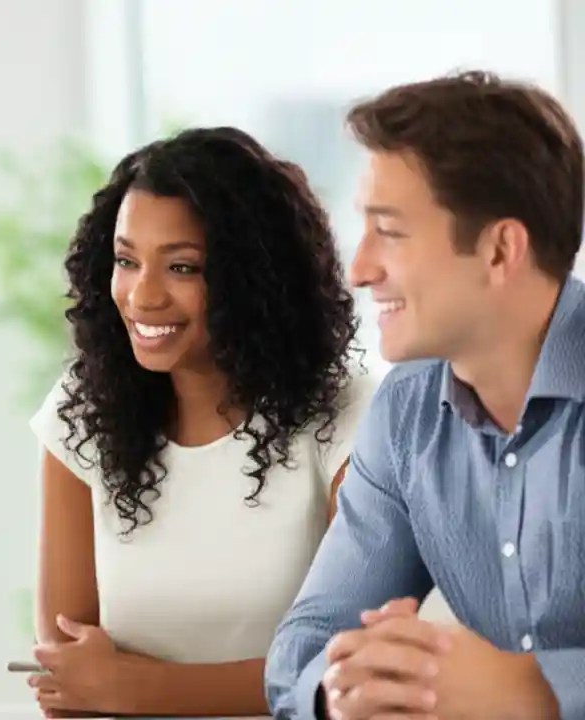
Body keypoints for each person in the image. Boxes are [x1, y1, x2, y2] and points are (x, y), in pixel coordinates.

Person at [265, 70, 585, 720]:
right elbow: (302, 653)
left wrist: (539, 690)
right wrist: (351, 689)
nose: (358, 270)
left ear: (500, 249)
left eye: (391, 230)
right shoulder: (407, 413)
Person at [26, 127, 377, 717]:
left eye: (183, 268)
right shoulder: (81, 413)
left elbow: (352, 666)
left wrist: (137, 688)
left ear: (254, 280)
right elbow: (69, 685)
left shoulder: (345, 414)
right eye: (125, 261)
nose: (143, 295)